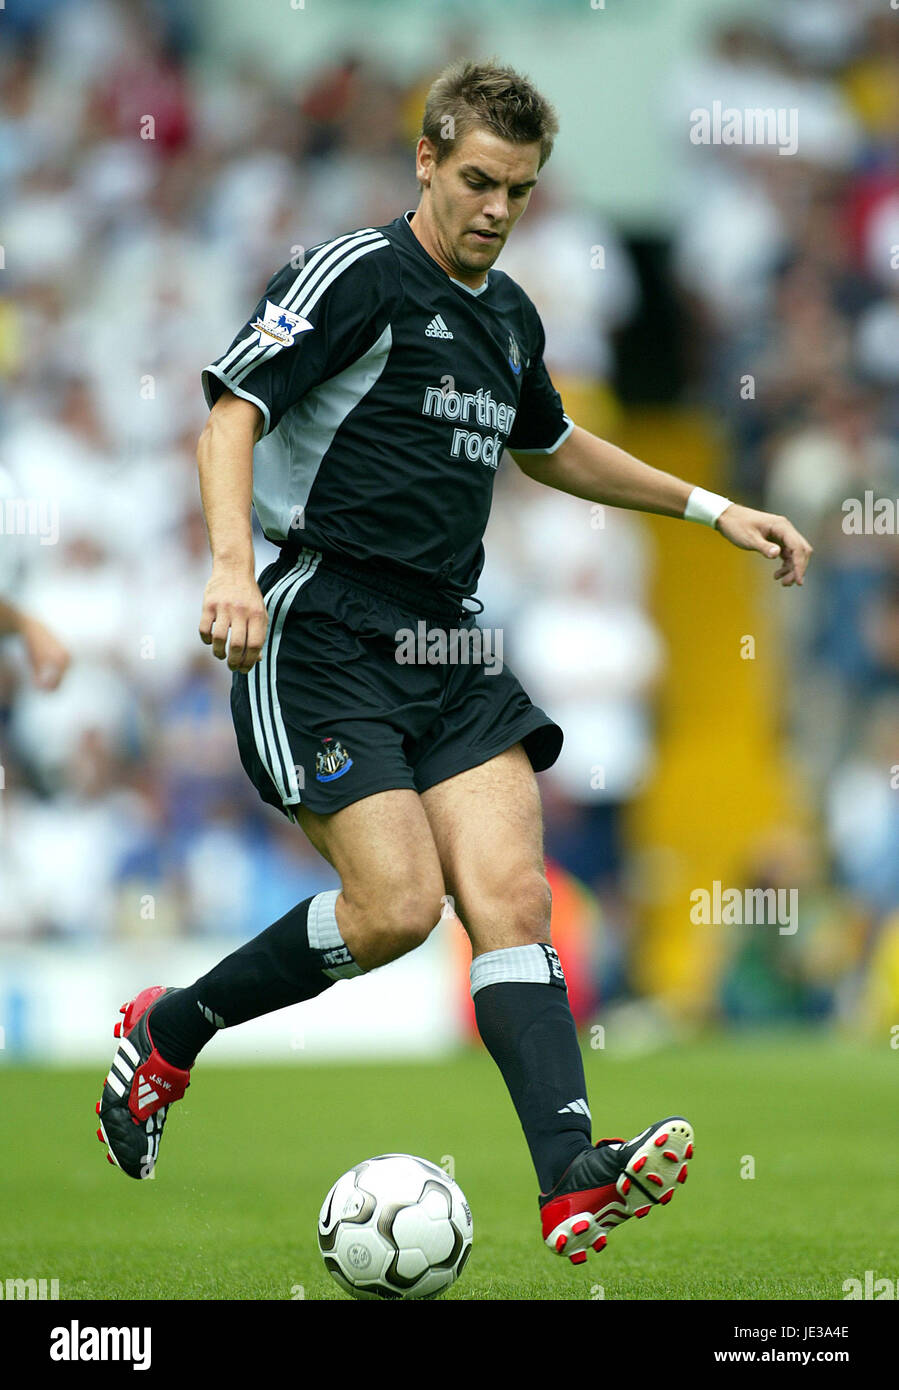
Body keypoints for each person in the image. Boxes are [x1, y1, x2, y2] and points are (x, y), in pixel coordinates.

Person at [98, 59, 811, 1266]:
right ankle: (169, 1029)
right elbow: (231, 412)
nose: (493, 208)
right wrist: (229, 566)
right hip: (319, 620)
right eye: (475, 179)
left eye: (518, 191)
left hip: (448, 636)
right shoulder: (357, 275)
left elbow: (554, 447)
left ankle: (566, 1176)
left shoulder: (509, 316)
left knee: (513, 901)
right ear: (425, 160)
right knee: (394, 911)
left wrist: (709, 507)